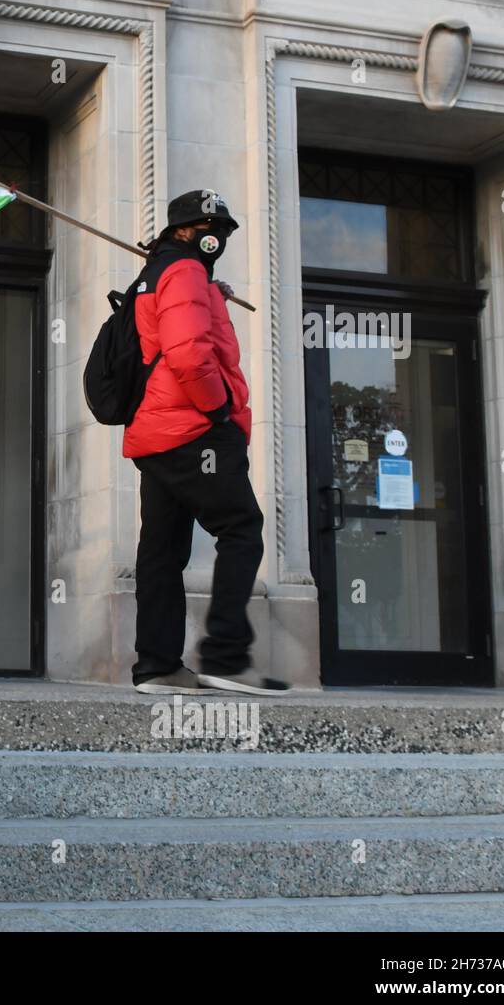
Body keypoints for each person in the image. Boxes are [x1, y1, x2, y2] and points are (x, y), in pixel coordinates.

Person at [125, 189, 290, 697]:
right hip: (193, 427)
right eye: (206, 227)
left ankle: (157, 666)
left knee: (162, 550)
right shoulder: (184, 272)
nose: (217, 236)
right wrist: (217, 410)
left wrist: (212, 294)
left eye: (222, 228)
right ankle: (225, 657)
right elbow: (189, 353)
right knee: (241, 527)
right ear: (182, 230)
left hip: (157, 433)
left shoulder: (161, 274)